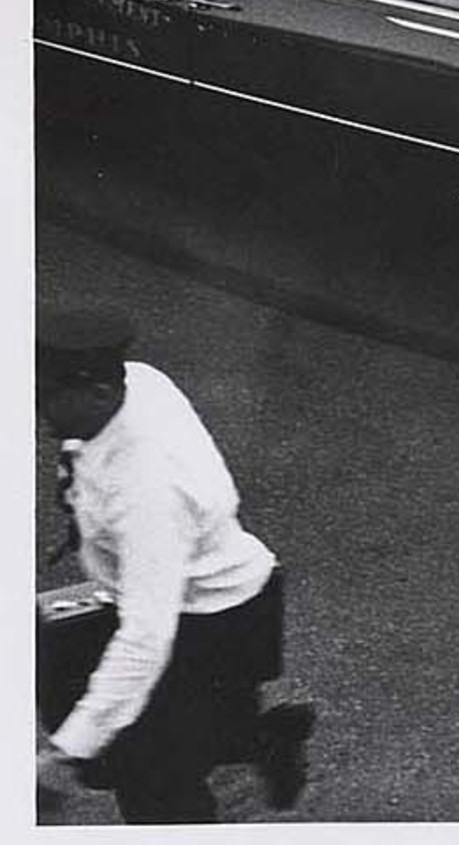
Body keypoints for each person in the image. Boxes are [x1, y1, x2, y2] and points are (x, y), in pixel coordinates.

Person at [35, 307, 314, 823]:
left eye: (47, 395)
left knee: (156, 786)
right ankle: (260, 736)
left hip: (204, 622)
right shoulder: (137, 381)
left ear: (97, 394)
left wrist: (64, 754)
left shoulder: (149, 493)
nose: (35, 405)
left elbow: (146, 638)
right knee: (150, 736)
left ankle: (254, 740)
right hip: (210, 592)